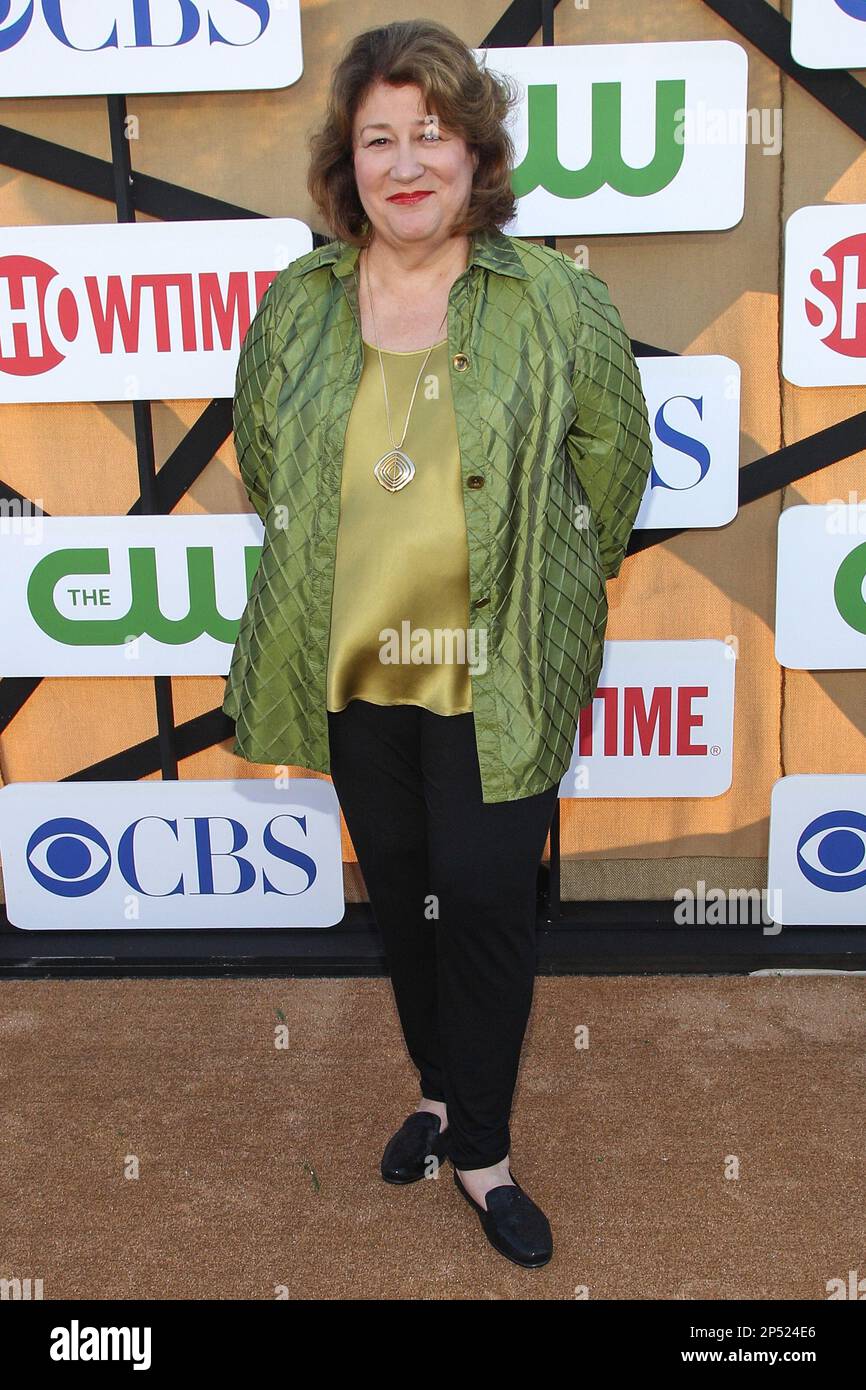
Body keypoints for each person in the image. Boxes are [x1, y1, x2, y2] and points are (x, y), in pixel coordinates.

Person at [223, 19, 654, 1270]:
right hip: (355, 665)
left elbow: (611, 464)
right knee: (404, 898)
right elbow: (266, 460)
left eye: (431, 135)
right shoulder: (298, 304)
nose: (405, 163)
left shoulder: (555, 299)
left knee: (477, 895)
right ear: (344, 163)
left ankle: (483, 1149)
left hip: (496, 671)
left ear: (474, 155)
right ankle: (434, 1086)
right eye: (377, 138)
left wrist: (558, 574)